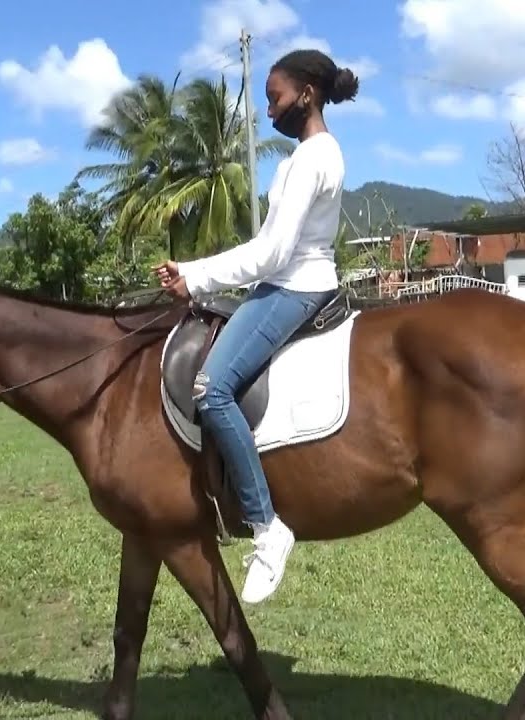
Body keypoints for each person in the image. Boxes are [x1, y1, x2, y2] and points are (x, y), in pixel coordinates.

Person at [153, 49, 357, 604]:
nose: (270, 111)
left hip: (294, 286)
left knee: (212, 390)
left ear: (307, 95)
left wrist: (196, 277)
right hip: (285, 282)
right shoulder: (304, 157)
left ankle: (268, 529)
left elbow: (271, 253)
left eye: (275, 98)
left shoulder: (315, 157)